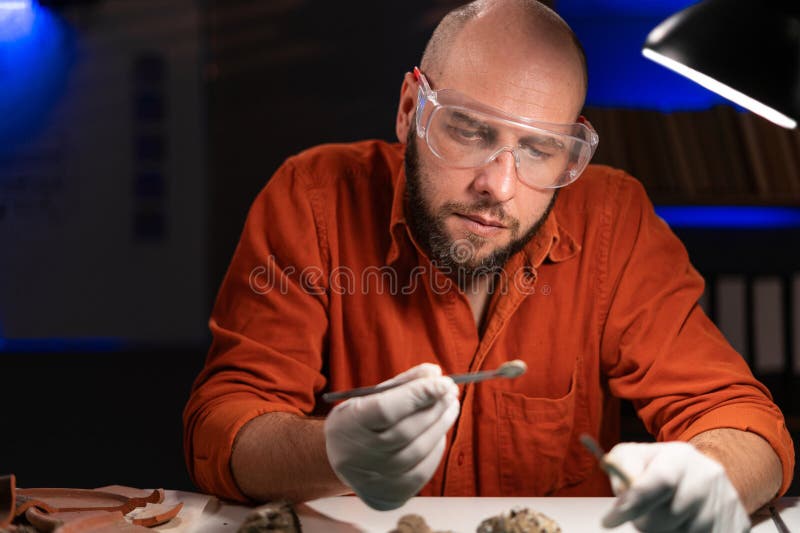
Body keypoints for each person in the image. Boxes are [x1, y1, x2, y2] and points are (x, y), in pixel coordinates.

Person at [183, 0, 794, 530]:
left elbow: (745, 423)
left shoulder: (614, 217)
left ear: (570, 149)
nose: (498, 186)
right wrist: (330, 452)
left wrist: (711, 477)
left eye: (538, 148)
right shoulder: (312, 198)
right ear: (408, 109)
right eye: (469, 132)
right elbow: (223, 425)